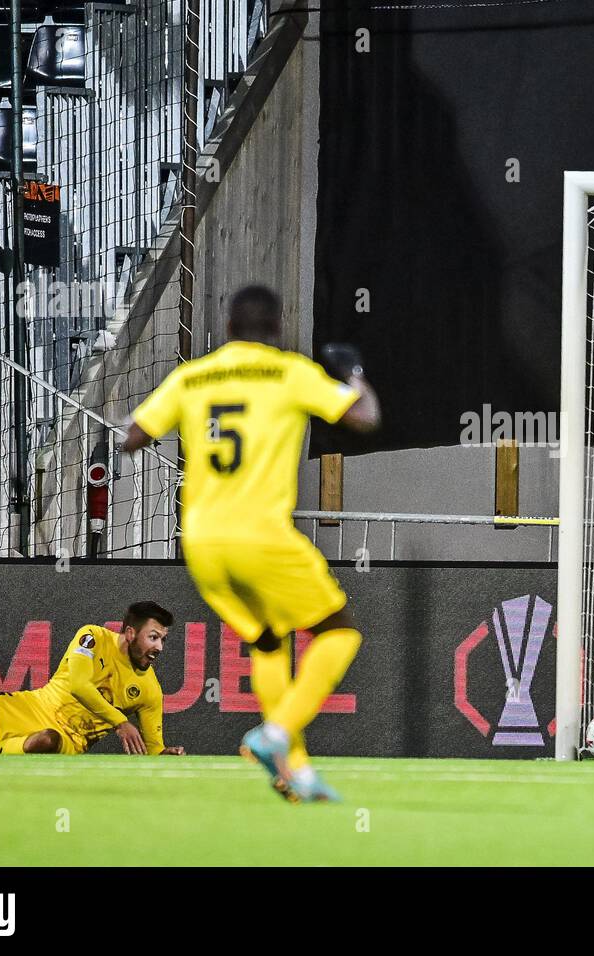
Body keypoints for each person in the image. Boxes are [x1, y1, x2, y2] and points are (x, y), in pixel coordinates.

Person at [121, 285, 380, 802]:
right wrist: (353, 374)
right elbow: (364, 418)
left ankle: (293, 772)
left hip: (201, 541)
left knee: (267, 639)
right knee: (339, 633)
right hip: (260, 535)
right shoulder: (289, 372)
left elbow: (133, 435)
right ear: (278, 325)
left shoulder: (192, 376)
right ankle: (276, 733)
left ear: (229, 326)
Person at [0, 602, 184, 756]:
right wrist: (120, 723)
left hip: (68, 738)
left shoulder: (150, 690)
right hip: (34, 706)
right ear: (131, 633)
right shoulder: (93, 636)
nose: (159, 647)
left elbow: (153, 749)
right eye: (154, 637)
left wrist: (164, 754)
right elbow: (78, 685)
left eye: (163, 639)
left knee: (45, 741)